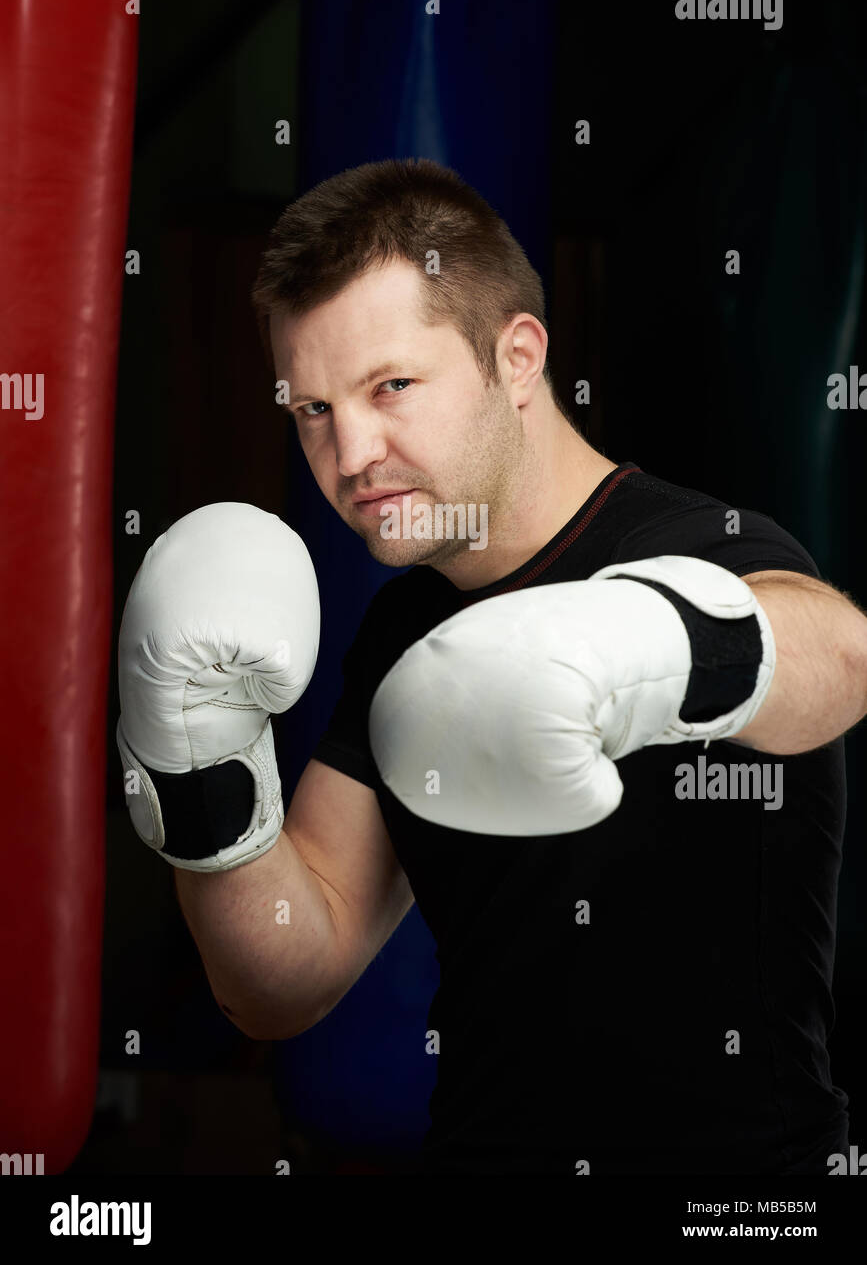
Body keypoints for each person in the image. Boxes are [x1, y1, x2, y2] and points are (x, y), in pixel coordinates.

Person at [117, 158, 867, 1175]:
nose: (351, 453)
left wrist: (643, 644)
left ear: (517, 357)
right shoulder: (402, 628)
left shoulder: (710, 549)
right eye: (313, 411)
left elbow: (839, 654)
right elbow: (283, 979)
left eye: (391, 387)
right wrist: (199, 773)